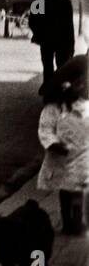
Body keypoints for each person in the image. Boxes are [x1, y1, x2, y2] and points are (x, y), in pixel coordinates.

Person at [36, 61, 88, 235]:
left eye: (85, 83)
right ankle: (68, 222)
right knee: (66, 190)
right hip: (63, 157)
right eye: (79, 84)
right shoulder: (54, 108)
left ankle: (78, 220)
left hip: (83, 156)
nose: (83, 88)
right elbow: (45, 129)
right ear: (66, 86)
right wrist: (54, 144)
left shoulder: (86, 106)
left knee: (80, 189)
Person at [30, 0, 75, 83]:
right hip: (62, 41)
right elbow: (69, 26)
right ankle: (59, 91)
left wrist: (39, 34)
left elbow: (32, 21)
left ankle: (48, 91)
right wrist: (71, 44)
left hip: (45, 40)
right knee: (62, 66)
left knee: (47, 67)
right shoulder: (66, 3)